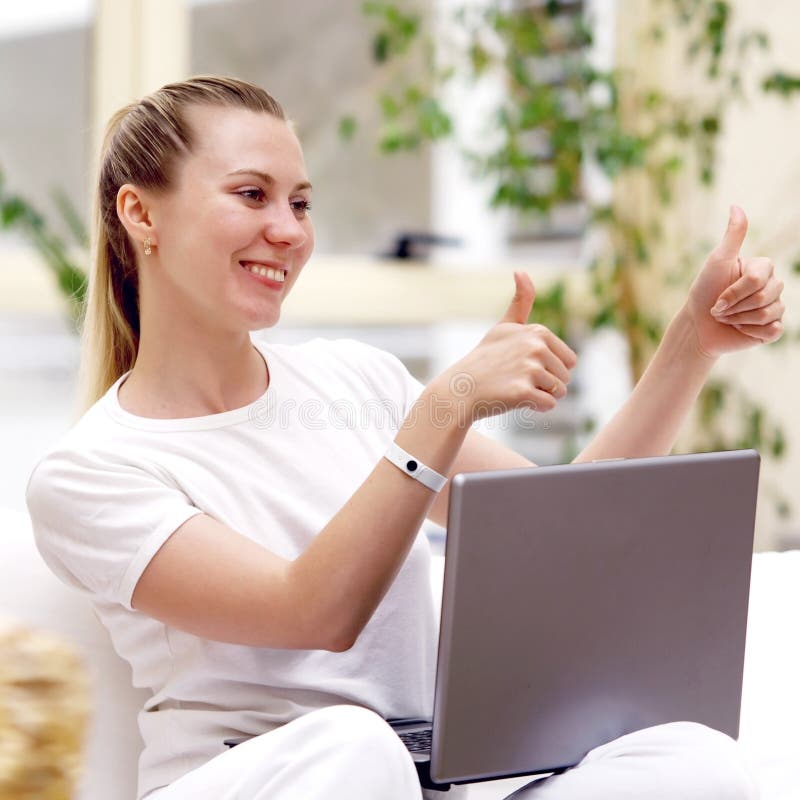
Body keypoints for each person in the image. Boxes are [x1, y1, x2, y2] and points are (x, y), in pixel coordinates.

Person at [24, 75, 782, 800]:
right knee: (354, 749)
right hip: (278, 781)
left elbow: (573, 536)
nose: (287, 231)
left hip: (424, 782)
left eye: (302, 202)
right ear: (141, 214)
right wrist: (447, 408)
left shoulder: (356, 380)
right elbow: (310, 613)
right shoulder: (91, 472)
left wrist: (692, 340)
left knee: (700, 766)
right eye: (252, 194)